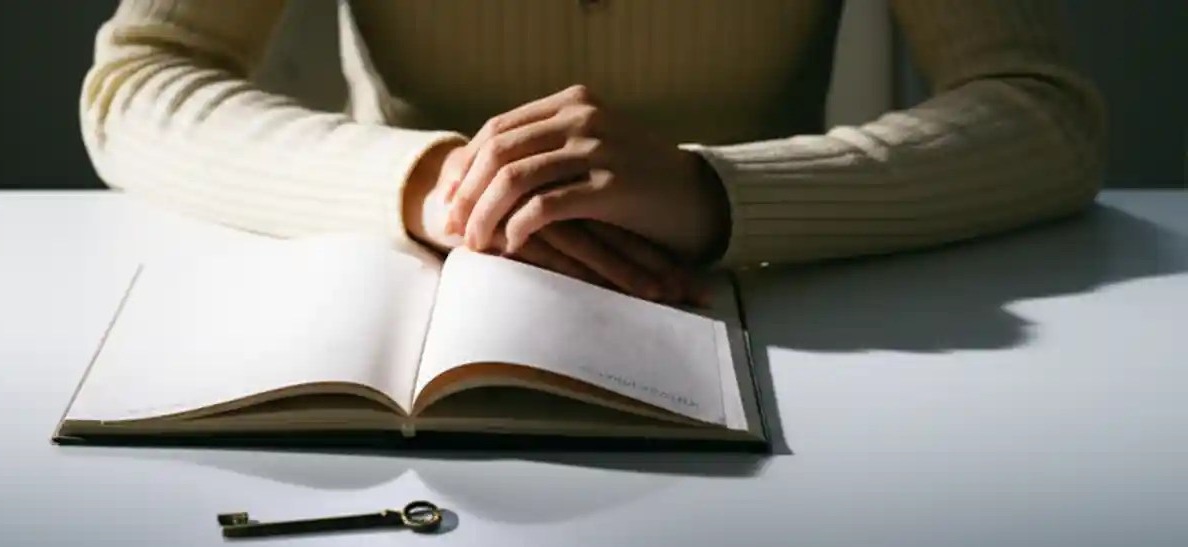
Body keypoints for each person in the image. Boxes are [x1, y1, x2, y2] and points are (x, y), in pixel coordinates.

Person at [80, 0, 1105, 304]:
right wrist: (435, 184)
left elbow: (1040, 112)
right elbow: (140, 80)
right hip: (416, 302)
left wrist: (717, 191)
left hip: (766, 313)